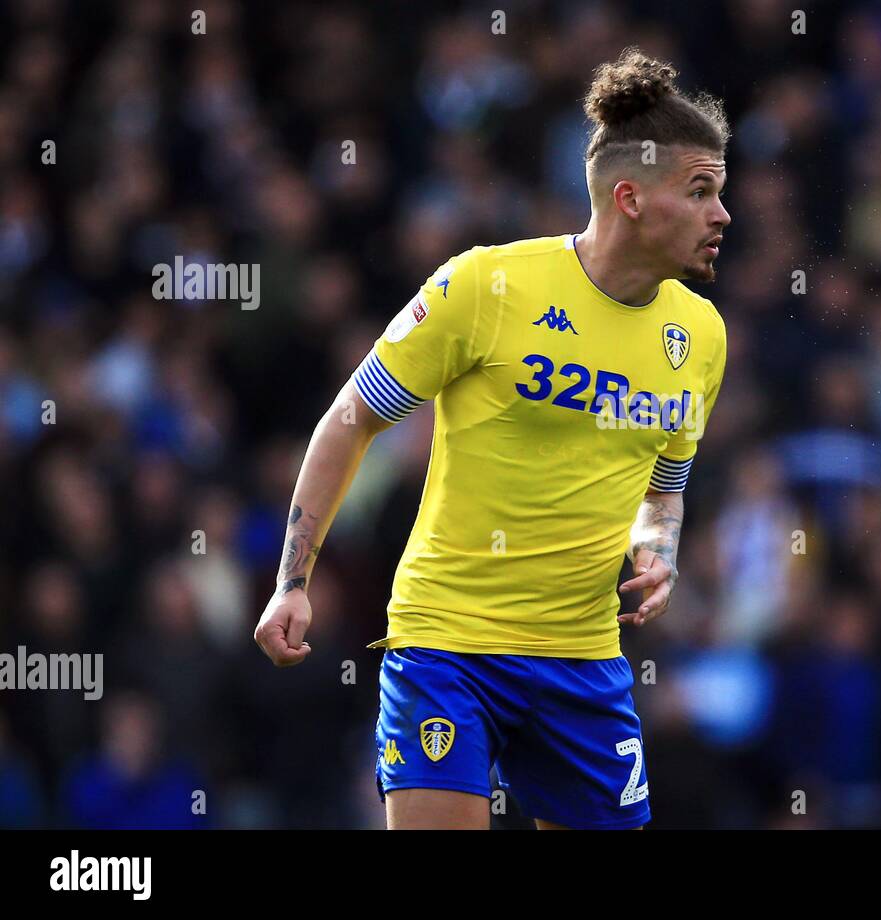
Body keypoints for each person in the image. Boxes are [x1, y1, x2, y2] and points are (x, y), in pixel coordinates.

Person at [253, 47, 730, 830]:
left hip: (582, 660)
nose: (723, 215)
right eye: (702, 190)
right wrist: (293, 579)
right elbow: (351, 419)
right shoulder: (485, 286)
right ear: (630, 198)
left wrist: (660, 550)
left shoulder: (702, 337)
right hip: (450, 647)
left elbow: (664, 489)